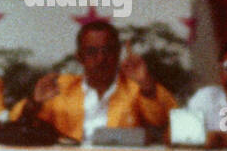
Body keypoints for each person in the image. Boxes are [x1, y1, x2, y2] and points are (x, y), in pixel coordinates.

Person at [9, 20, 176, 142]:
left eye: (108, 50)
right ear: (79, 57)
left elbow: (168, 121)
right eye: (92, 52)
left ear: (118, 53)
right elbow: (14, 123)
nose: (101, 58)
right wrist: (34, 103)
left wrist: (147, 87)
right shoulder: (61, 88)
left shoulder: (136, 87)